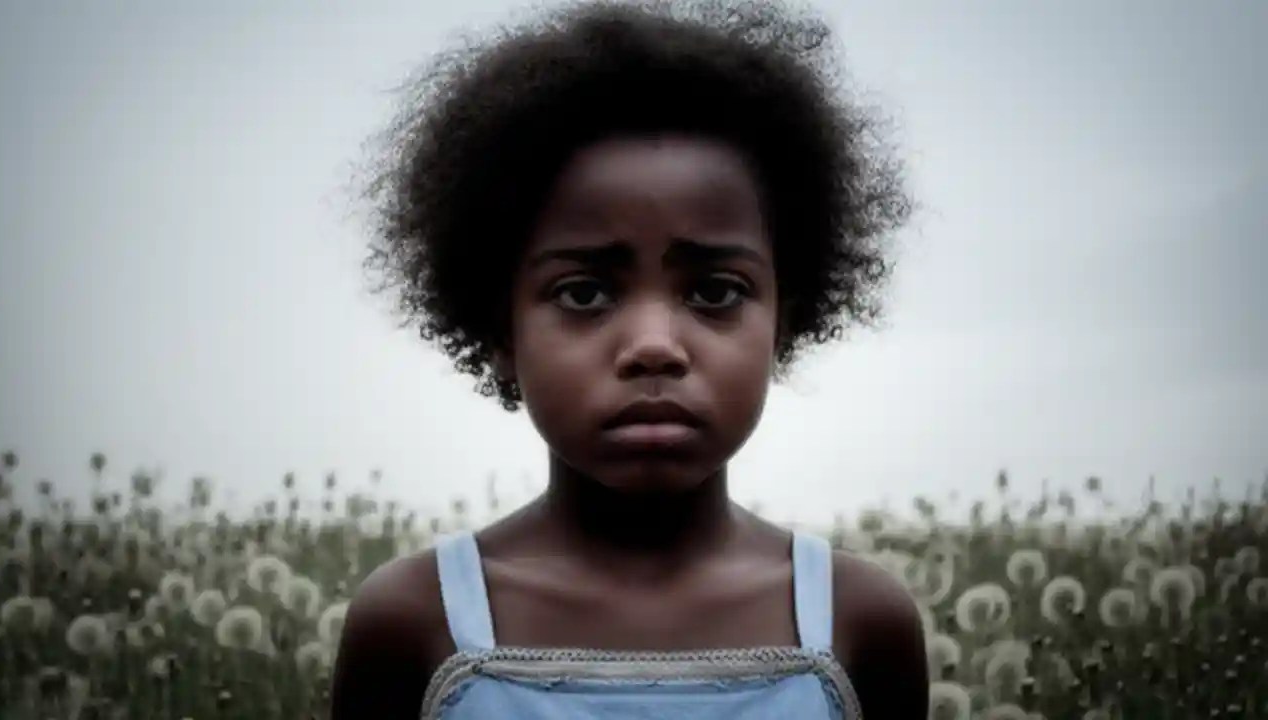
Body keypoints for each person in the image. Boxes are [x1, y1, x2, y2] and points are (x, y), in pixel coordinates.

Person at [331, 0, 928, 717]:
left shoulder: (862, 624)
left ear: (783, 323)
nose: (654, 346)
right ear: (499, 332)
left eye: (715, 291)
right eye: (584, 293)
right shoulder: (410, 622)